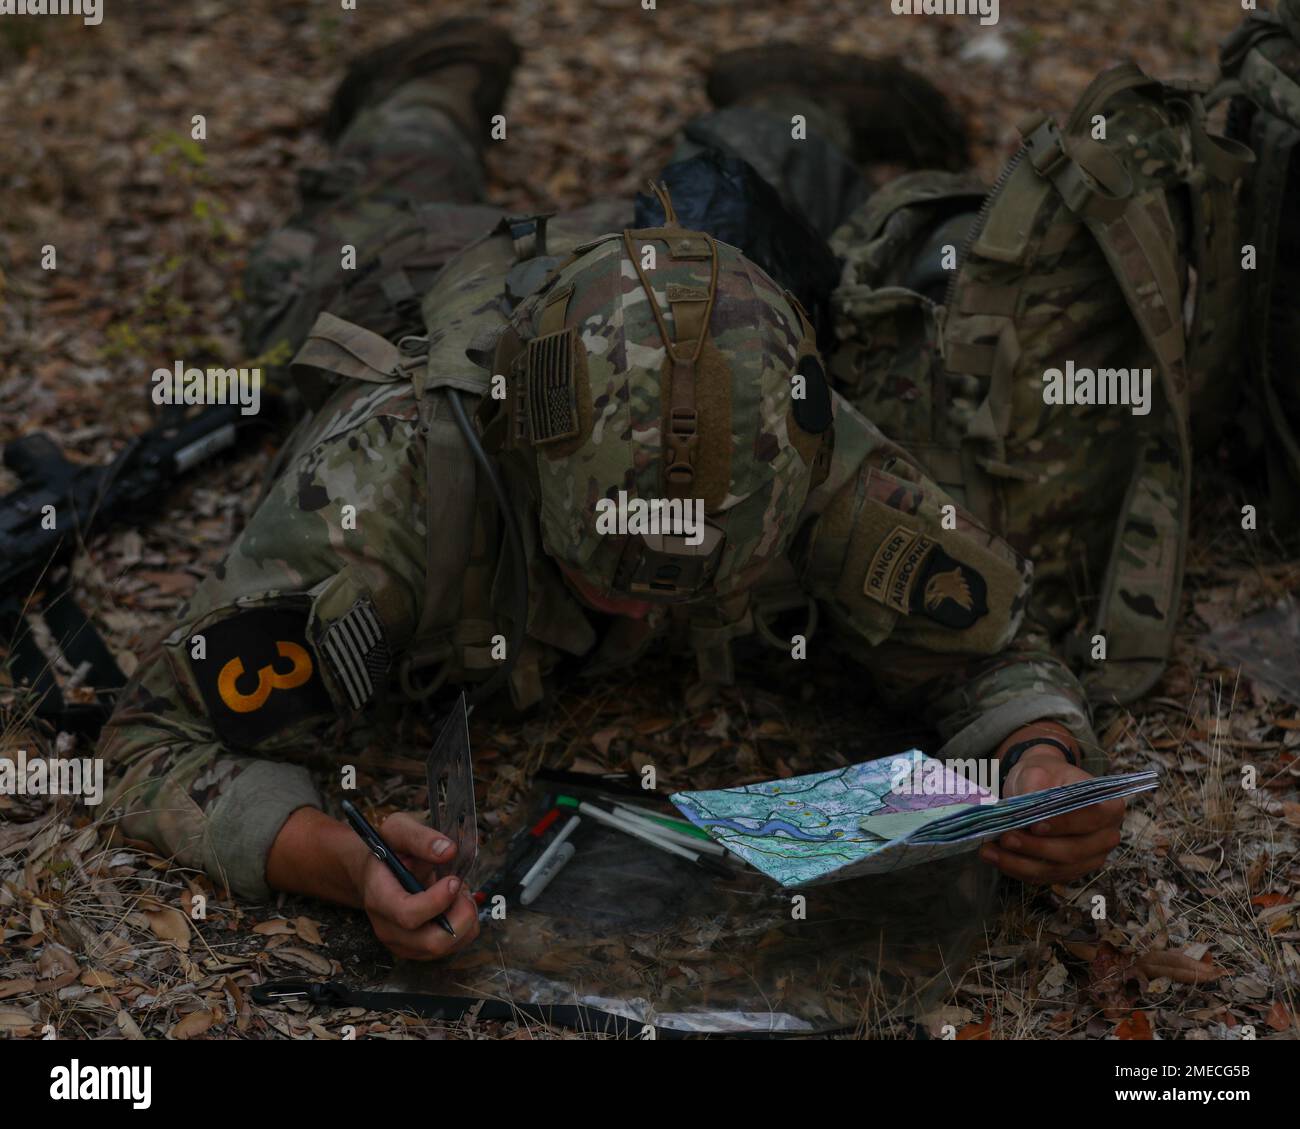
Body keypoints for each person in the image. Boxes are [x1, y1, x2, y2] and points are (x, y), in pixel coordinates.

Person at [99, 18, 1123, 963]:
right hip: (428, 280)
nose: (646, 611)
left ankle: (787, 97)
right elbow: (152, 738)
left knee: (744, 184)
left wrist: (1037, 760)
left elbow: (989, 647)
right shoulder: (385, 494)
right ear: (523, 465)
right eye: (611, 574)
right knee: (320, 269)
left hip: (655, 267)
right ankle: (431, 80)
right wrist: (339, 859)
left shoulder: (796, 447)